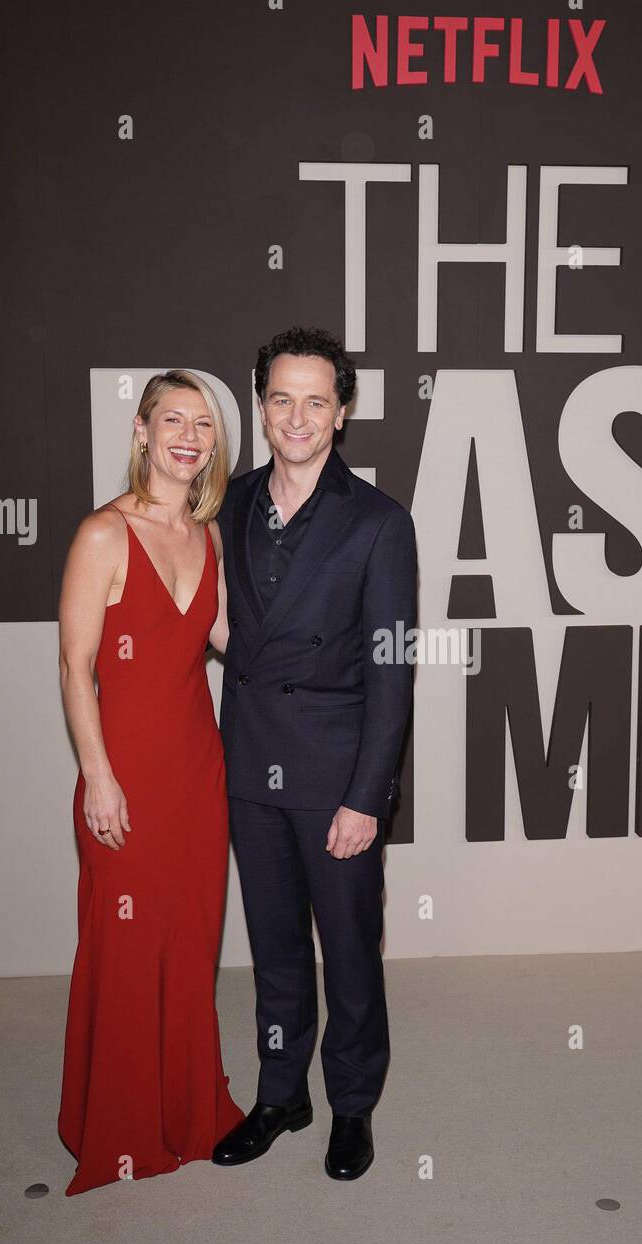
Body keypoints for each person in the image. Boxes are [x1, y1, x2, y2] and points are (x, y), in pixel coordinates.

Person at [211, 325, 417, 1180]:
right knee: (275, 947)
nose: (297, 417)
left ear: (344, 412)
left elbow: (394, 672)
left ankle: (354, 1106)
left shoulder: (379, 522)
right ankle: (280, 1092)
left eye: (316, 401)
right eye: (281, 399)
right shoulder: (223, 501)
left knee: (349, 950)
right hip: (250, 764)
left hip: (337, 775)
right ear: (262, 405)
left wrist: (368, 797)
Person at [57, 369, 246, 1196]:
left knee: (190, 943)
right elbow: (74, 664)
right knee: (128, 945)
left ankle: (187, 1113)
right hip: (124, 772)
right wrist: (98, 776)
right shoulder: (103, 533)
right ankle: (120, 1125)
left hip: (197, 776)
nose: (188, 436)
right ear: (141, 431)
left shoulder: (211, 536)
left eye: (203, 424)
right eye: (173, 419)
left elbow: (237, 643)